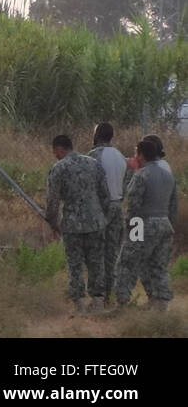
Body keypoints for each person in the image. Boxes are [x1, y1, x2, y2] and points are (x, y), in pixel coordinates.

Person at [45, 134, 110, 314]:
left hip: (73, 224)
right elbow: (105, 195)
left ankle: (79, 304)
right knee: (96, 262)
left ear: (59, 149)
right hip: (96, 222)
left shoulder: (59, 168)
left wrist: (53, 222)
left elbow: (53, 201)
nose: (54, 155)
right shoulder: (93, 163)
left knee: (75, 264)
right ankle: (98, 302)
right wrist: (101, 216)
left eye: (54, 151)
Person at [114, 138, 178, 311]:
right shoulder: (168, 175)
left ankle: (121, 303)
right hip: (165, 224)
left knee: (127, 262)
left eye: (136, 152)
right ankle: (161, 304)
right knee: (159, 265)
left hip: (142, 224)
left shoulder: (141, 175)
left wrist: (130, 230)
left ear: (141, 155)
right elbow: (173, 205)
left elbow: (133, 206)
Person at [85, 122, 127, 303]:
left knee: (96, 252)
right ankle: (112, 294)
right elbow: (126, 185)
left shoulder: (93, 156)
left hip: (100, 208)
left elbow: (88, 186)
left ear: (97, 135)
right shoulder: (120, 156)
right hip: (117, 207)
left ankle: (97, 297)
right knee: (112, 252)